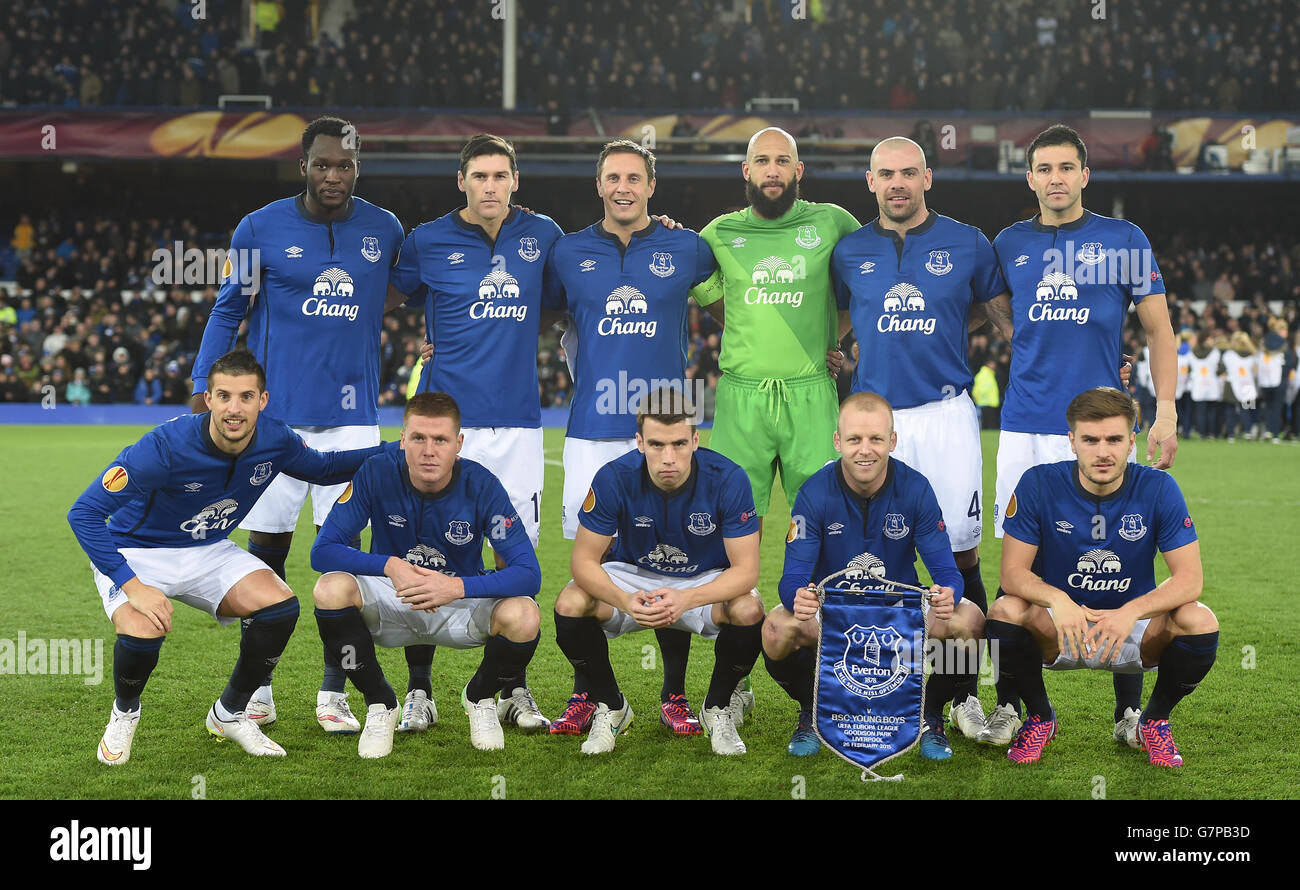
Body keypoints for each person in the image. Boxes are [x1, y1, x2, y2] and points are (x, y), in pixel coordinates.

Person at [189, 116, 405, 734]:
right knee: (268, 561)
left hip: (353, 427)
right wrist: (206, 383)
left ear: (358, 167)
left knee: (342, 562)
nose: (333, 175)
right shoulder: (261, 228)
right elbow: (229, 306)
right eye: (322, 164)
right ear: (302, 166)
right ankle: (257, 689)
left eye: (345, 165)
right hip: (275, 424)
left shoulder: (383, 228)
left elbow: (427, 282)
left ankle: (333, 691)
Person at [67, 350, 388, 765]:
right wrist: (135, 587)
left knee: (279, 606)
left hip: (208, 549)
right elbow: (85, 513)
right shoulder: (163, 447)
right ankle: (125, 712)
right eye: (224, 396)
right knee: (141, 630)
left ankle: (229, 713)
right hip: (138, 551)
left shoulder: (277, 439)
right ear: (208, 399)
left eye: (246, 397)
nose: (234, 409)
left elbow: (324, 468)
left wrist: (397, 451)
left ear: (263, 400)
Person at [981, 124, 1180, 746]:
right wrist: (1030, 342)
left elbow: (1158, 330)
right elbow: (994, 304)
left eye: (1067, 168)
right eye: (1045, 169)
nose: (1056, 179)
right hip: (1024, 425)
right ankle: (1017, 705)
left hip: (1101, 426)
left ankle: (1128, 712)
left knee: (1126, 557)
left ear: (1084, 176)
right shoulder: (1009, 243)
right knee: (1016, 564)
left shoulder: (1123, 239)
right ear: (1030, 177)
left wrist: (1166, 410)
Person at [831, 136, 1007, 742]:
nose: (898, 183)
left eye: (909, 172)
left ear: (928, 177)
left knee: (959, 558)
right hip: (877, 425)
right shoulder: (849, 250)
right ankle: (866, 686)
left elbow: (1001, 314)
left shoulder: (968, 241)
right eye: (887, 174)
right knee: (877, 556)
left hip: (946, 415)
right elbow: (832, 319)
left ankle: (959, 697)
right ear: (870, 181)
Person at [543, 138, 722, 737]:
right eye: (613, 177)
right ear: (599, 186)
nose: (624, 187)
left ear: (652, 187)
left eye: (635, 178)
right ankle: (593, 694)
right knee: (588, 573)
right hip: (592, 432)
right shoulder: (566, 254)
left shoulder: (688, 247)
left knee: (668, 561)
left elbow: (738, 298)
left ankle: (675, 694)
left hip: (664, 434)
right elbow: (526, 314)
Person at [389, 133, 563, 733]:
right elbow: (382, 295)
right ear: (460, 181)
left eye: (500, 175)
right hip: (443, 424)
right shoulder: (427, 240)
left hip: (516, 424)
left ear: (516, 181)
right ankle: (418, 691)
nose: (490, 185)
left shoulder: (544, 237)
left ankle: (505, 687)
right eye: (479, 176)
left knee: (512, 555)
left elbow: (575, 297)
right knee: (425, 549)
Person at [989, 387, 1218, 766]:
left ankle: (1154, 719)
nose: (1102, 452)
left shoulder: (1159, 488)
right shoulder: (1038, 483)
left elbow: (1189, 581)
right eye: (1090, 440)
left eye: (1114, 439)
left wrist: (1130, 611)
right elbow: (1012, 573)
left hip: (1132, 630)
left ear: (1132, 441)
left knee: (1198, 619)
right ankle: (1040, 716)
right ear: (1072, 441)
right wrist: (1059, 601)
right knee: (1005, 610)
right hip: (1060, 627)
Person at [309, 392, 544, 757]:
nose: (428, 450)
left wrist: (456, 586)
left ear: (458, 444)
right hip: (393, 599)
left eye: (441, 440)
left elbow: (529, 575)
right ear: (402, 438)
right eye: (418, 438)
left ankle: (479, 696)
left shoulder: (482, 486)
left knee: (525, 614)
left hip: (457, 605)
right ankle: (380, 703)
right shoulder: (376, 472)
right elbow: (322, 551)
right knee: (330, 589)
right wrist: (389, 565)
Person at [763, 393, 982, 759]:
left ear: (892, 441)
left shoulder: (916, 489)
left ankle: (929, 714)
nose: (865, 450)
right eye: (854, 440)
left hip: (901, 614)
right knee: (776, 629)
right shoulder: (814, 492)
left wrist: (950, 593)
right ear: (838, 442)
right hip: (834, 616)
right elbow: (792, 578)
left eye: (876, 439)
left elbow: (946, 571)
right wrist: (796, 597)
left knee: (970, 621)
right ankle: (814, 711)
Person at [554, 388, 765, 755]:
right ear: (639, 442)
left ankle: (716, 709)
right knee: (571, 602)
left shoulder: (728, 478)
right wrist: (623, 598)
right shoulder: (613, 477)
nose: (669, 458)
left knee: (748, 608)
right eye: (656, 445)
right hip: (633, 575)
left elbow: (746, 571)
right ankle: (612, 705)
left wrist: (688, 597)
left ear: (696, 439)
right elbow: (583, 562)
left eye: (679, 444)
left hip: (703, 578)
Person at [691, 127, 860, 531]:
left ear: (798, 170)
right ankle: (738, 596)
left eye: (782, 161)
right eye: (763, 162)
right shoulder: (717, 234)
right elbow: (710, 296)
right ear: (746, 171)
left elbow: (869, 282)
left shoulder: (833, 222)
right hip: (742, 398)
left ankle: (813, 595)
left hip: (811, 395)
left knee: (826, 518)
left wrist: (832, 335)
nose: (772, 170)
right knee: (735, 521)